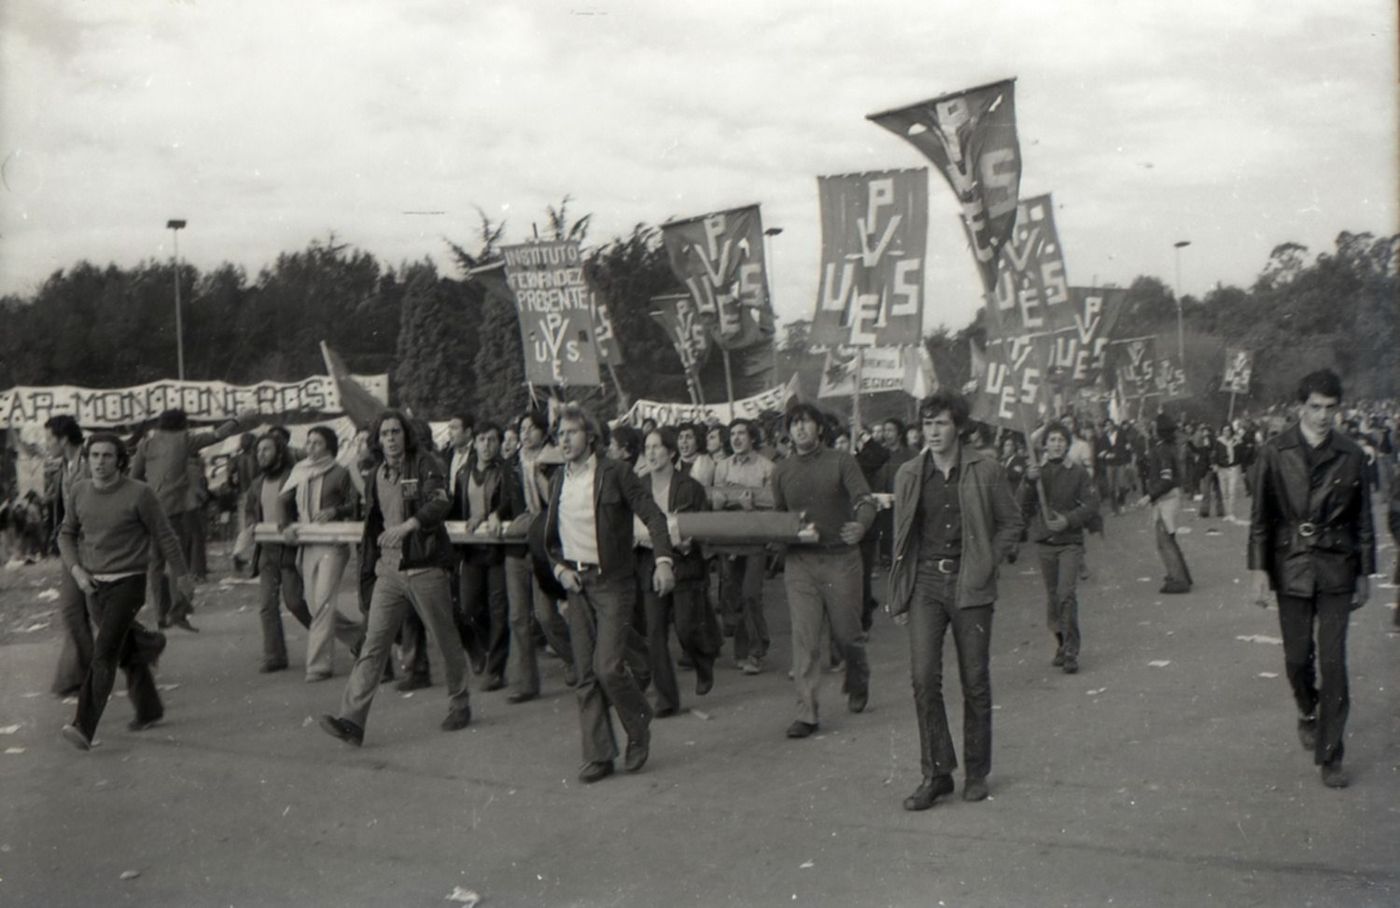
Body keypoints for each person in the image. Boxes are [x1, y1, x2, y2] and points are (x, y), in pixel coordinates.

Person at [887, 392, 1023, 808]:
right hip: (926, 582)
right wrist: (901, 592)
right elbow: (901, 538)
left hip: (971, 583)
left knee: (975, 680)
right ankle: (937, 772)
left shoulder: (986, 468)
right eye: (927, 423)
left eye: (941, 423)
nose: (932, 431)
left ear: (959, 426)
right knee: (923, 678)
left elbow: (1012, 522)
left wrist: (986, 562)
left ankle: (977, 771)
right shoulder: (909, 474)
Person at [1248, 369, 1375, 789]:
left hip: (1338, 566)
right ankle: (1307, 709)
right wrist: (1258, 571)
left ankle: (1331, 753)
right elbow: (1261, 519)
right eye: (1315, 407)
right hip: (1292, 565)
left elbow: (1363, 520)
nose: (1323, 416)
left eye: (1330, 407)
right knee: (1297, 659)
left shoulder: (1352, 454)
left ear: (1339, 408)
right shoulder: (1274, 451)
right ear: (1300, 407)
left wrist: (1365, 574)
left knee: (1334, 663)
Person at [318, 410, 472, 746]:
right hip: (389, 571)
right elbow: (373, 523)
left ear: (406, 435)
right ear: (377, 440)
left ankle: (460, 703)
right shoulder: (375, 475)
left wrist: (408, 526)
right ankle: (352, 721)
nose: (390, 438)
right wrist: (369, 567)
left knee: (445, 639)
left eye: (396, 432)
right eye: (385, 433)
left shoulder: (425, 464)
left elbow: (440, 502)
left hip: (425, 566)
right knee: (373, 645)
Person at [545, 404, 675, 784]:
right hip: (577, 585)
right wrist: (560, 570)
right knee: (585, 674)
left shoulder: (615, 472)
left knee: (607, 667)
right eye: (560, 435)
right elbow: (548, 538)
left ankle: (638, 724)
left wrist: (664, 560)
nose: (564, 440)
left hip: (614, 583)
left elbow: (653, 516)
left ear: (591, 435)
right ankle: (599, 754)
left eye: (571, 432)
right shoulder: (558, 481)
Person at [58, 434, 191, 750]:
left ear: (120, 460)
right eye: (94, 456)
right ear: (87, 459)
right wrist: (77, 571)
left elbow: (165, 535)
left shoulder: (140, 494)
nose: (100, 462)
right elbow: (65, 534)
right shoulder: (79, 492)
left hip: (128, 583)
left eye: (107, 456)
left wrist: (183, 575)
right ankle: (149, 704)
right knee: (125, 648)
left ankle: (84, 726)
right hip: (92, 584)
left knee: (105, 651)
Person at [770, 403, 878, 739]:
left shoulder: (841, 461)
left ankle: (858, 678)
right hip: (801, 563)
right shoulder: (781, 471)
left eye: (806, 423)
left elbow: (866, 500)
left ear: (819, 427)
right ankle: (807, 712)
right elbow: (779, 517)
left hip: (841, 559)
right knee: (806, 639)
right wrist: (775, 539)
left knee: (848, 635)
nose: (800, 429)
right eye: (794, 425)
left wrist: (860, 526)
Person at [131, 408, 253, 631]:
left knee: (156, 563)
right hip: (175, 510)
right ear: (182, 424)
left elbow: (134, 476)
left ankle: (160, 613)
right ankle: (178, 610)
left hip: (151, 509)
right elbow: (217, 435)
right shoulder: (185, 440)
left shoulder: (145, 445)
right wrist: (238, 419)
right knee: (178, 561)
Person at [636, 428, 719, 716]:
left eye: (657, 447)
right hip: (650, 565)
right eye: (647, 447)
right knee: (655, 633)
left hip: (684, 565)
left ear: (671, 452)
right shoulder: (639, 486)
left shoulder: (690, 487)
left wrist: (689, 541)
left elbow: (705, 528)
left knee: (686, 627)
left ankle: (703, 660)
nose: (651, 452)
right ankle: (667, 699)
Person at [503, 409, 576, 702]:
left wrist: (539, 475)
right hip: (515, 548)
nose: (525, 433)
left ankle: (575, 658)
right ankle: (526, 684)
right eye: (522, 427)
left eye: (532, 428)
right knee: (519, 617)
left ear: (544, 433)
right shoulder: (510, 464)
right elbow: (505, 502)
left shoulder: (555, 462)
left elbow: (557, 506)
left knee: (546, 616)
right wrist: (495, 515)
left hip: (544, 547)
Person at [280, 426, 361, 682]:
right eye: (309, 442)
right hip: (307, 543)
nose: (311, 447)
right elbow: (284, 501)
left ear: (329, 446)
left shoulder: (340, 472)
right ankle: (363, 639)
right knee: (316, 607)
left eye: (317, 443)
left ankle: (318, 665)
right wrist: (286, 526)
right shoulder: (299, 471)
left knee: (324, 602)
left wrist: (334, 511)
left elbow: (355, 505)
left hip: (332, 544)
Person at [1020, 423, 1099, 674]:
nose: (1056, 444)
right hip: (1045, 542)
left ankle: (1071, 651)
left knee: (1066, 594)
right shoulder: (1037, 472)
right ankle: (1061, 643)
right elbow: (1021, 504)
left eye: (1060, 440)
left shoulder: (1077, 473)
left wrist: (1068, 520)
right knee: (1053, 598)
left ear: (1067, 445)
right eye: (1052, 440)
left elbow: (1090, 504)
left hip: (1069, 543)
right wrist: (1027, 481)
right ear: (1045, 444)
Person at [453, 421, 517, 692]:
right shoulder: (464, 472)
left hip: (498, 551)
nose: (487, 445)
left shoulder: (506, 471)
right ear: (475, 442)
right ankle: (481, 651)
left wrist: (494, 514)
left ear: (499, 443)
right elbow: (456, 508)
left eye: (492, 440)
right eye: (482, 439)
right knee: (468, 608)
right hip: (471, 551)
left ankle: (496, 670)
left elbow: (511, 501)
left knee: (499, 609)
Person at [710, 419, 775, 674]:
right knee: (732, 595)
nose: (736, 438)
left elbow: (773, 505)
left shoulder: (767, 467)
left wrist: (753, 507)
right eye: (733, 434)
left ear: (752, 438)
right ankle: (742, 652)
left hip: (756, 539)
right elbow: (716, 501)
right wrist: (717, 503)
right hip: (730, 538)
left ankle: (758, 649)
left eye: (742, 434)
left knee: (750, 594)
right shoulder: (722, 467)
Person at [246, 433, 313, 673]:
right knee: (266, 605)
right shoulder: (257, 483)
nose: (261, 454)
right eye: (259, 450)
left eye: (266, 449)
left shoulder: (293, 478)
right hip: (267, 551)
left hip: (289, 550)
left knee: (295, 602)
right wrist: (252, 524)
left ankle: (323, 636)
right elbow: (251, 511)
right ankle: (274, 656)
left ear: (279, 452)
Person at [44, 415, 92, 697]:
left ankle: (82, 674)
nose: (47, 444)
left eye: (50, 438)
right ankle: (79, 675)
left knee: (96, 612)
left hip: (93, 548)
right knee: (74, 610)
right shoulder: (64, 466)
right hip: (72, 547)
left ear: (64, 439)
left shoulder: (88, 464)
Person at [1138, 413, 1193, 594]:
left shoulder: (1161, 449)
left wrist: (1149, 496)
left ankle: (1178, 579)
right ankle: (1182, 574)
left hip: (1165, 498)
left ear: (1158, 430)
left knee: (1164, 541)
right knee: (1169, 536)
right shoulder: (1170, 447)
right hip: (1171, 496)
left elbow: (1166, 478)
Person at [1213, 423, 1245, 523]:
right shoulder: (1219, 442)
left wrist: (1243, 469)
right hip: (1222, 469)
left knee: (1232, 491)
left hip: (1233, 468)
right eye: (1224, 430)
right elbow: (1215, 453)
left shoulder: (1237, 441)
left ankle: (1231, 513)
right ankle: (1227, 513)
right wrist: (1214, 464)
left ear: (1231, 431)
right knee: (1224, 492)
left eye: (1228, 430)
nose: (1226, 432)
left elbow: (1242, 454)